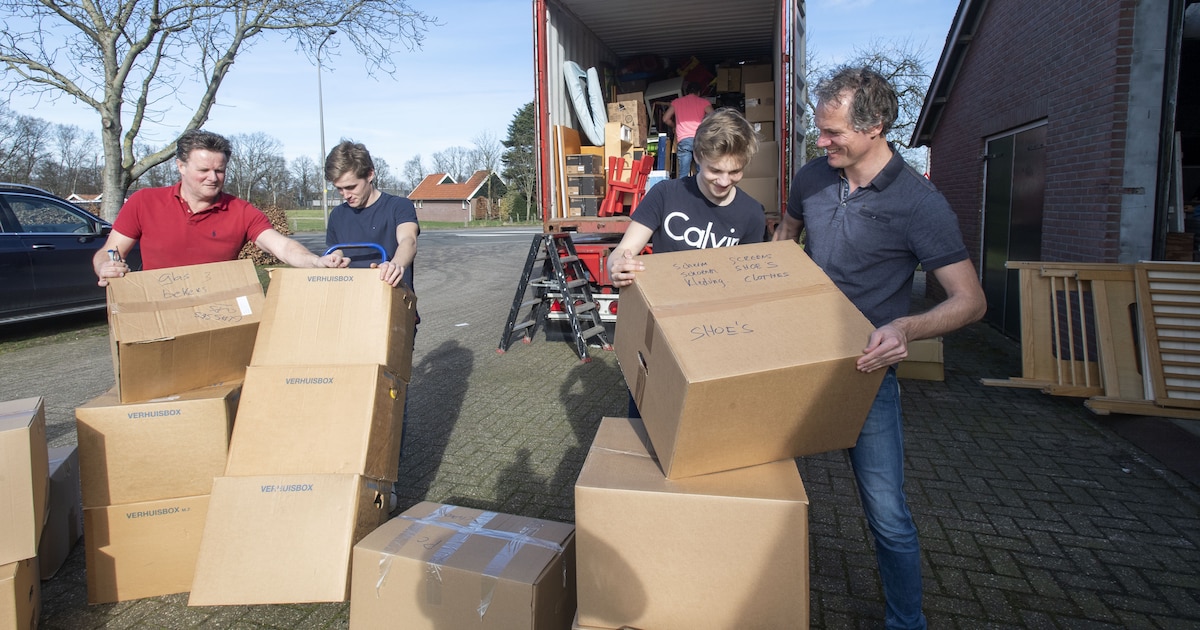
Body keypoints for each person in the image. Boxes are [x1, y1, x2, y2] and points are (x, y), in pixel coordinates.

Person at [773, 67, 986, 629]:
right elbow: (784, 235)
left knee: (888, 516)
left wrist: (906, 330)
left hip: (865, 374)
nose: (821, 143)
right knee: (760, 489)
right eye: (820, 131)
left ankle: (906, 622)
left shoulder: (921, 203)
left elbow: (970, 300)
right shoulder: (812, 177)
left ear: (876, 127)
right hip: (790, 361)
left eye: (833, 133)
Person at [93, 129, 347, 285]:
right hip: (159, 314)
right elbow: (109, 252)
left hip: (217, 315)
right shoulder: (144, 202)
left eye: (220, 170)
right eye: (203, 170)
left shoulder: (241, 211)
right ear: (180, 166)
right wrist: (106, 266)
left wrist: (316, 261)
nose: (213, 178)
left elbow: (283, 247)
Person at [324, 140, 419, 291]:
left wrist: (395, 265)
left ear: (369, 174)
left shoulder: (399, 206)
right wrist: (334, 261)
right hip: (353, 302)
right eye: (339, 189)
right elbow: (338, 250)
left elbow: (409, 241)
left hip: (393, 298)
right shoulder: (337, 215)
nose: (345, 195)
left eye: (351, 187)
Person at [661, 82, 714, 178]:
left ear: (686, 92)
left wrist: (674, 125)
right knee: (701, 174)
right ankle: (699, 192)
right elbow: (714, 117)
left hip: (684, 140)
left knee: (683, 174)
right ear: (698, 92)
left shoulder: (677, 102)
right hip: (699, 139)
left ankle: (682, 192)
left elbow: (665, 119)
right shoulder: (703, 102)